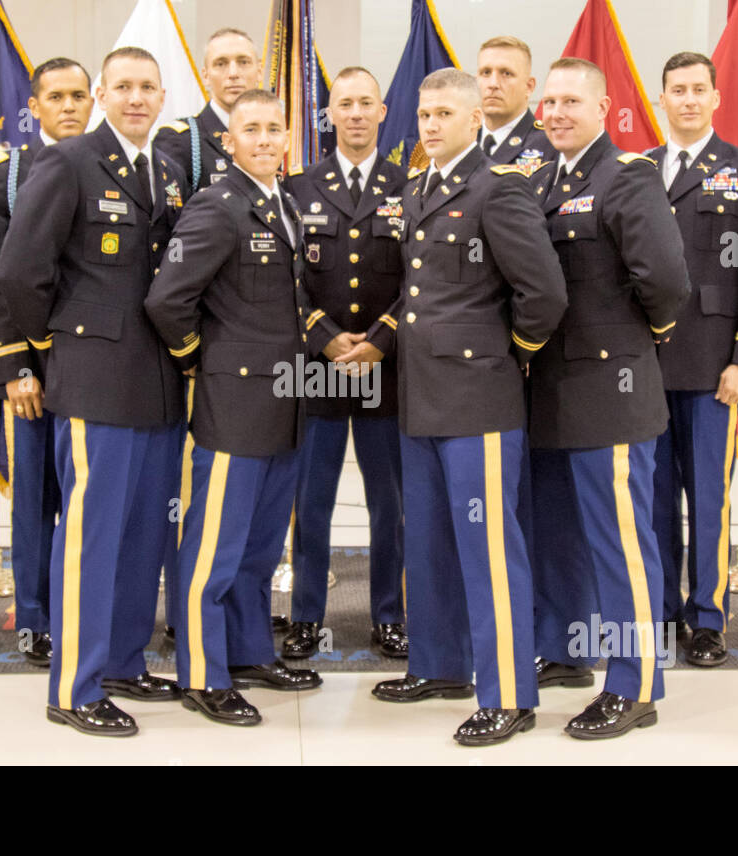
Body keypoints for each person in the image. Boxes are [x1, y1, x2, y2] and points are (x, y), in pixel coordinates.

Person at [370, 68, 569, 747]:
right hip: (419, 395)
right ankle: (439, 663)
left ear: (473, 117)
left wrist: (505, 354)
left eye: (444, 114)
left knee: (487, 548)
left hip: (477, 397)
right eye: (423, 114)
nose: (429, 125)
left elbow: (543, 293)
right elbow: (420, 295)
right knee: (426, 540)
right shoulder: (420, 184)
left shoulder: (500, 186)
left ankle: (509, 692)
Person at [0, 47, 190, 736]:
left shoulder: (166, 172)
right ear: (102, 93)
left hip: (160, 380)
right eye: (124, 87)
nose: (137, 98)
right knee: (90, 534)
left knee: (145, 531)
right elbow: (20, 271)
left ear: (162, 96)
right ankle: (74, 688)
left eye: (148, 88)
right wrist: (56, 349)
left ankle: (122, 661)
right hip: (95, 379)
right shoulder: (70, 161)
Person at [145, 88, 322, 727]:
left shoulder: (286, 202)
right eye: (252, 130)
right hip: (235, 402)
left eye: (275, 129)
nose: (267, 140)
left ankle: (248, 652)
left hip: (286, 400)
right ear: (229, 140)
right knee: (214, 548)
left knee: (259, 546)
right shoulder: (217, 208)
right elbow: (168, 300)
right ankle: (202, 671)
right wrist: (200, 360)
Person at [528, 57, 690, 739]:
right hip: (552, 394)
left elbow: (668, 281)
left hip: (611, 388)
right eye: (549, 103)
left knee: (620, 541)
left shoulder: (626, 175)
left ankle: (636, 681)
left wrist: (639, 339)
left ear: (603, 107)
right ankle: (567, 649)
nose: (557, 113)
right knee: (560, 535)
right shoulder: (543, 181)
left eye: (571, 100)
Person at [648, 52, 738, 666]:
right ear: (662, 99)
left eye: (698, 89)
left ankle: (707, 618)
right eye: (676, 90)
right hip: (644, 367)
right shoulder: (638, 169)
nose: (687, 100)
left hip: (714, 368)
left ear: (715, 98)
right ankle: (655, 610)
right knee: (651, 498)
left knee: (708, 496)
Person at [0, 57, 93, 667]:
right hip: (33, 373)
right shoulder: (7, 173)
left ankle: (85, 609)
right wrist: (15, 366)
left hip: (95, 365)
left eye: (78, 96)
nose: (69, 107)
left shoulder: (106, 164)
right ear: (34, 106)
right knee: (36, 496)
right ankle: (37, 620)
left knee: (89, 498)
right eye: (56, 97)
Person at [282, 66, 408, 662]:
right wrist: (323, 336)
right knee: (311, 499)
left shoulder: (409, 185)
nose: (355, 113)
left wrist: (382, 337)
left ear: (383, 112)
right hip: (317, 364)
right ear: (328, 115)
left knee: (392, 502)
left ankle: (390, 614)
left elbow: (422, 277)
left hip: (388, 366)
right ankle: (306, 614)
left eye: (366, 103)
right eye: (344, 104)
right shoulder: (298, 188)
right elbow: (284, 279)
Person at [155, 27, 263, 192]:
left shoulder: (273, 139)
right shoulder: (182, 141)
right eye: (221, 64)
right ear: (205, 76)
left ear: (259, 72)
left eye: (243, 62)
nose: (233, 73)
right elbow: (170, 213)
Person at [476, 36, 556, 172]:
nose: (493, 84)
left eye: (506, 73)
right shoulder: (460, 143)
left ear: (529, 87)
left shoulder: (551, 145)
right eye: (486, 73)